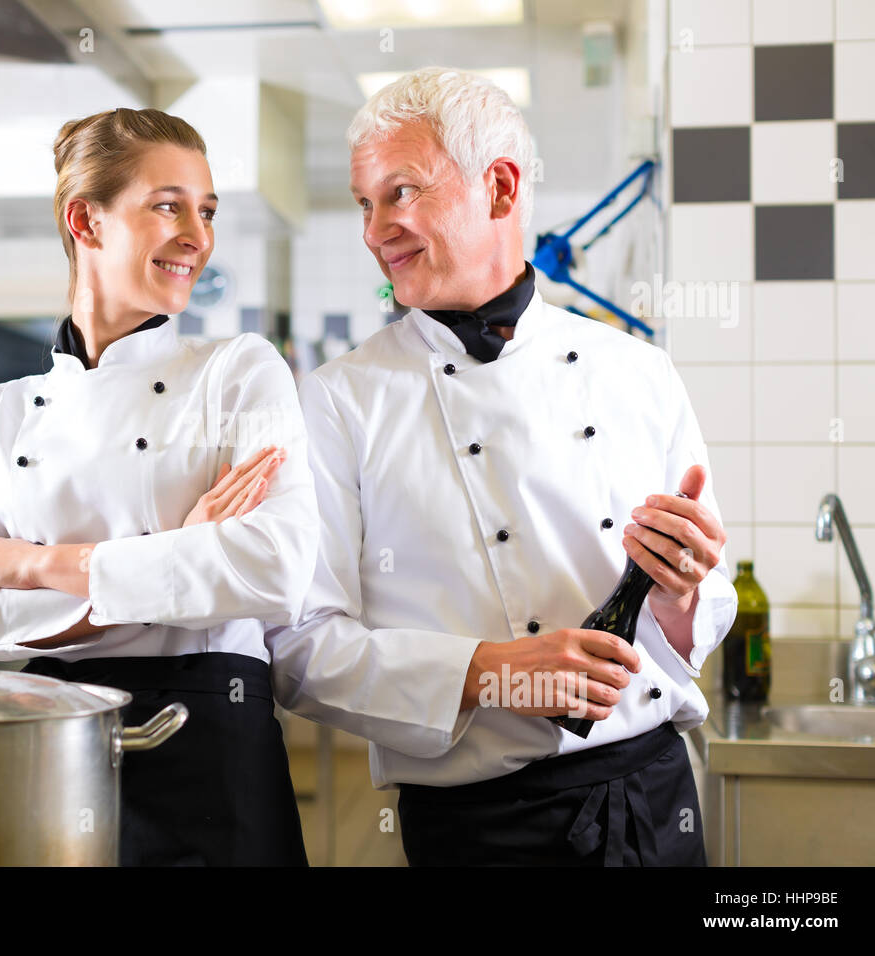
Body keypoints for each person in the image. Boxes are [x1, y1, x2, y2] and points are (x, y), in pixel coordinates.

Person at [269, 68, 737, 866]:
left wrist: (686, 588)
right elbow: (301, 649)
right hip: (480, 830)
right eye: (363, 202)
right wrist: (491, 671)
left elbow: (707, 604)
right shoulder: (338, 401)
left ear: (499, 186)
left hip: (657, 800)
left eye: (401, 192)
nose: (375, 228)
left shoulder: (638, 371)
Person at [0, 107, 317, 866]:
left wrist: (25, 567)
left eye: (208, 210)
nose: (199, 233)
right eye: (169, 205)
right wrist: (176, 554)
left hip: (209, 755)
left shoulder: (237, 371)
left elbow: (275, 567)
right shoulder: (1, 414)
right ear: (85, 222)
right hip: (48, 752)